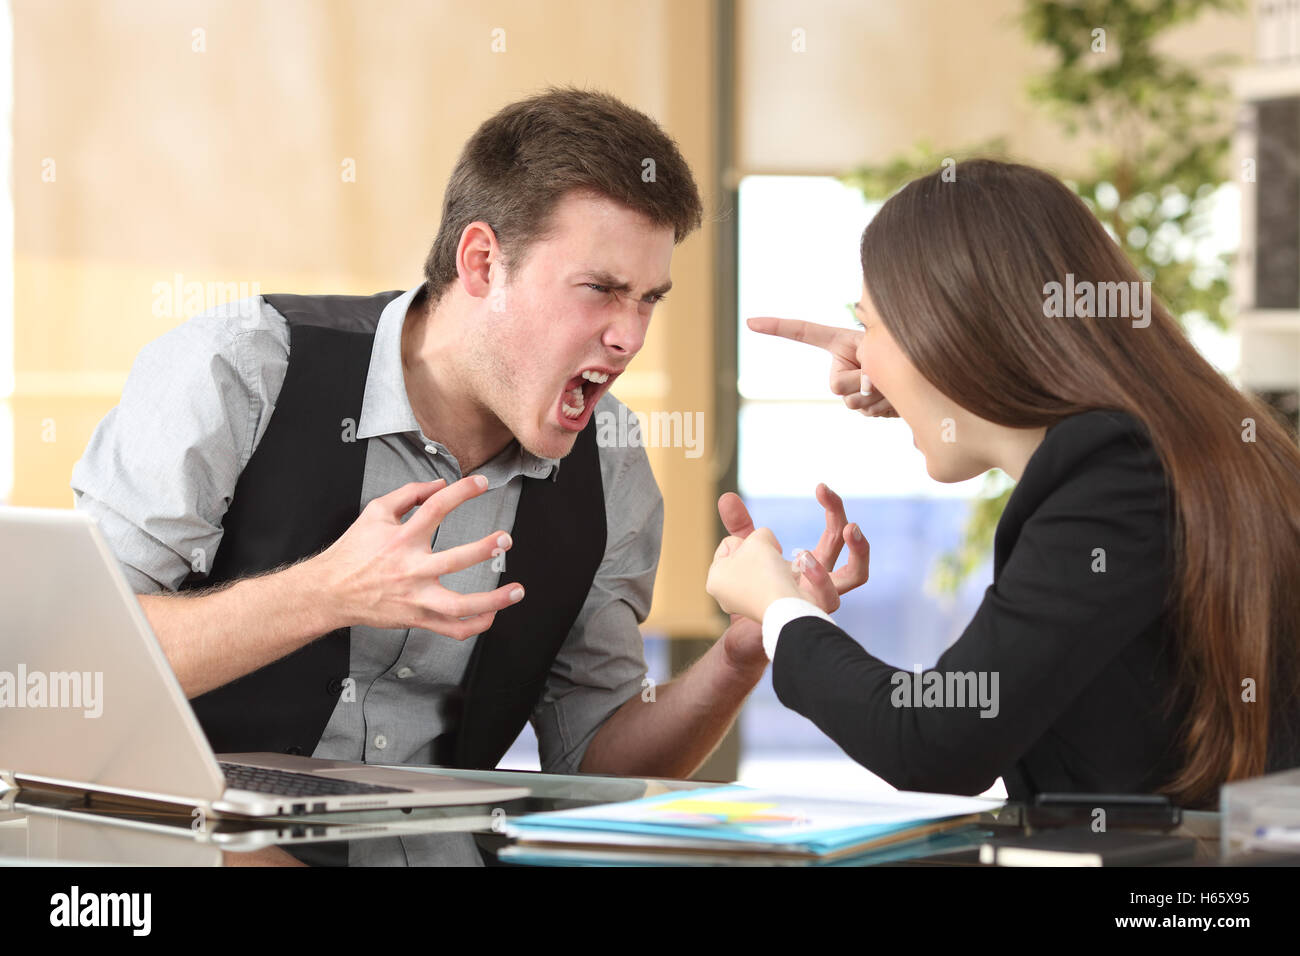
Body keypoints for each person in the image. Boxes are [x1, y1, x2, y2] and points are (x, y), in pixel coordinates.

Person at [72, 86, 868, 786]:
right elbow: (78, 657)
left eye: (649, 299)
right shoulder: (241, 366)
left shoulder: (612, 460)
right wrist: (324, 593)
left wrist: (742, 652)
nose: (630, 338)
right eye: (600, 290)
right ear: (483, 261)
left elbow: (595, 759)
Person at [706, 158, 1300, 810]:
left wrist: (781, 611)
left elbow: (933, 739)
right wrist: (915, 376)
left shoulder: (1114, 479)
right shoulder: (1160, 450)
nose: (860, 352)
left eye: (868, 320)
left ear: (950, 330)